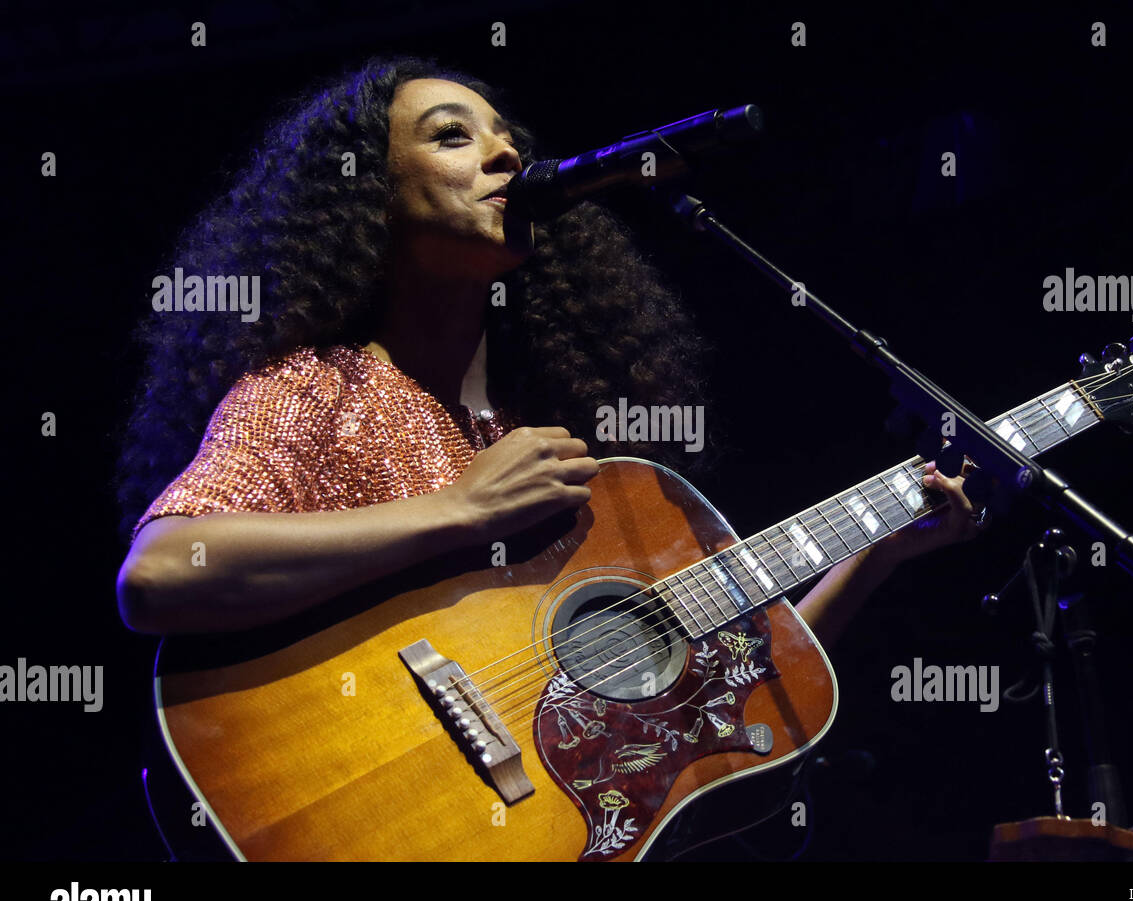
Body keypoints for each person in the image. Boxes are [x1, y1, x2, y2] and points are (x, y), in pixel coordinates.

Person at [114, 56, 983, 647]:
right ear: (366, 200)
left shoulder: (549, 424)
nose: (505, 153)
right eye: (453, 137)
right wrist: (459, 511)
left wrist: (879, 551)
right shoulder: (320, 387)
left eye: (508, 141)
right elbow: (159, 574)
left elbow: (736, 674)